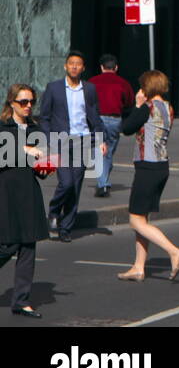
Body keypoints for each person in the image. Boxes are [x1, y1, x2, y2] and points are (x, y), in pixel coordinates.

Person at [115, 71, 179, 282]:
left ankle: (174, 252)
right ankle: (138, 267)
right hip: (161, 165)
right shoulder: (168, 107)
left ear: (148, 87)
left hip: (147, 167)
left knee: (135, 221)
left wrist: (137, 105)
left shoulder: (147, 108)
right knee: (143, 217)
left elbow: (126, 128)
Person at [39, 50, 107, 242]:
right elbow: (44, 117)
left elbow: (95, 116)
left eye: (78, 64)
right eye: (71, 63)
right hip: (60, 141)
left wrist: (100, 140)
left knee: (75, 186)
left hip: (83, 141)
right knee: (66, 182)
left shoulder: (90, 89)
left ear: (83, 68)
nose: (74, 66)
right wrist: (47, 140)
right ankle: (53, 211)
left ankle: (66, 228)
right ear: (65, 66)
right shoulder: (54, 88)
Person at [0, 85, 50, 317]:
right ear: (11, 103)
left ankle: (21, 300)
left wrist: (44, 168)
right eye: (23, 102)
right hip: (6, 192)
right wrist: (26, 151)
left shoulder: (35, 128)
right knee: (7, 245)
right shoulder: (3, 127)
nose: (28, 105)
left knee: (28, 245)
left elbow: (38, 162)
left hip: (29, 193)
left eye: (31, 101)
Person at [89, 54, 133, 198]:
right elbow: (129, 102)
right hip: (115, 119)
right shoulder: (123, 83)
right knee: (108, 150)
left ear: (101, 67)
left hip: (97, 119)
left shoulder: (92, 82)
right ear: (116, 68)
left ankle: (103, 182)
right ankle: (103, 183)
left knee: (100, 150)